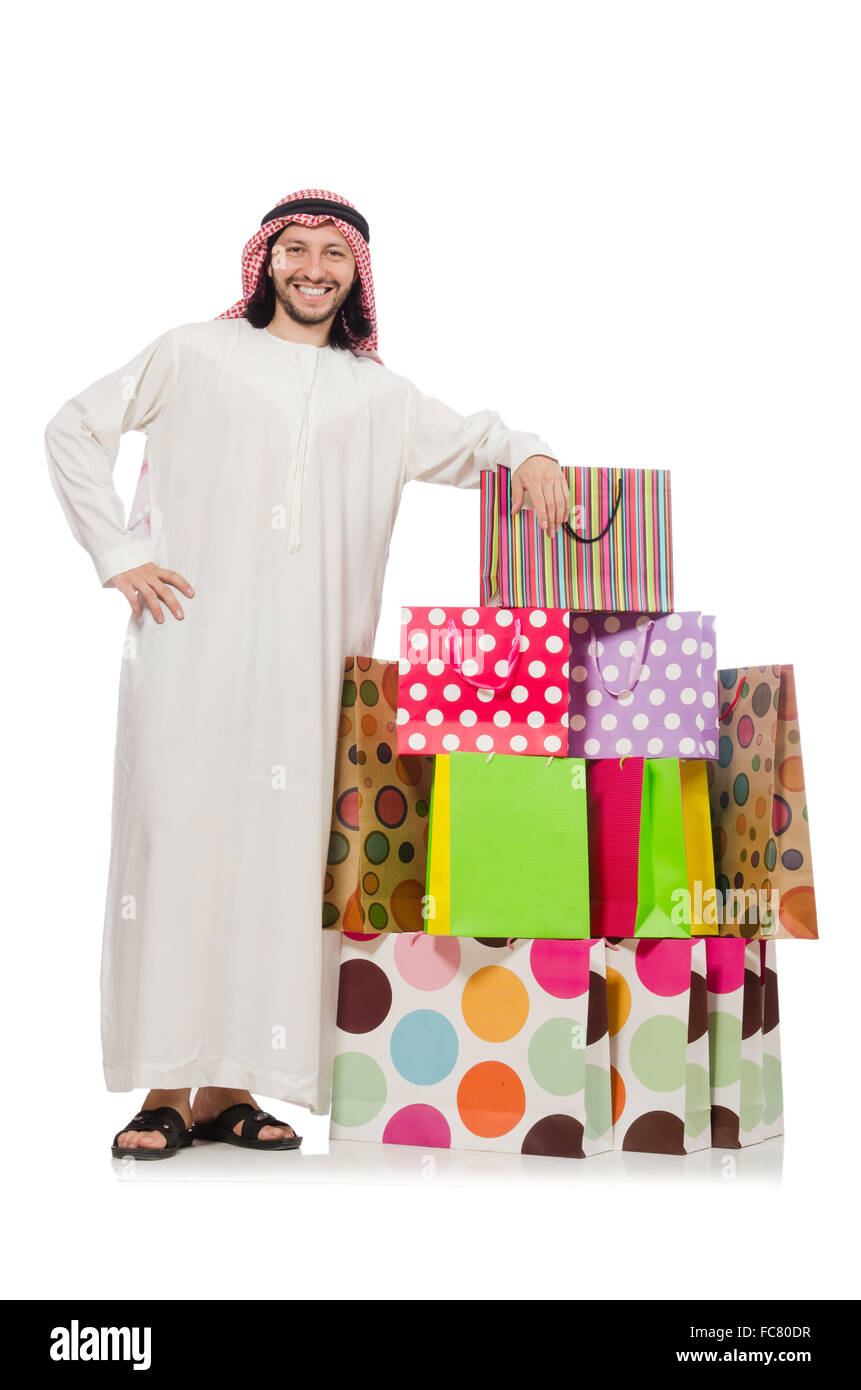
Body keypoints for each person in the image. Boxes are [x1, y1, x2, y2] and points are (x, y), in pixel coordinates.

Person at [45, 188, 568, 1159]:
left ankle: (232, 1091)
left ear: (357, 275)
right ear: (266, 262)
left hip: (313, 675)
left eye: (336, 252)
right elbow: (74, 427)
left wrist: (530, 452)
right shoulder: (193, 354)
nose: (315, 266)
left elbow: (477, 441)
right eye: (298, 248)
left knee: (282, 867)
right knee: (182, 851)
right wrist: (118, 554)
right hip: (191, 654)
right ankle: (164, 1089)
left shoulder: (381, 397)